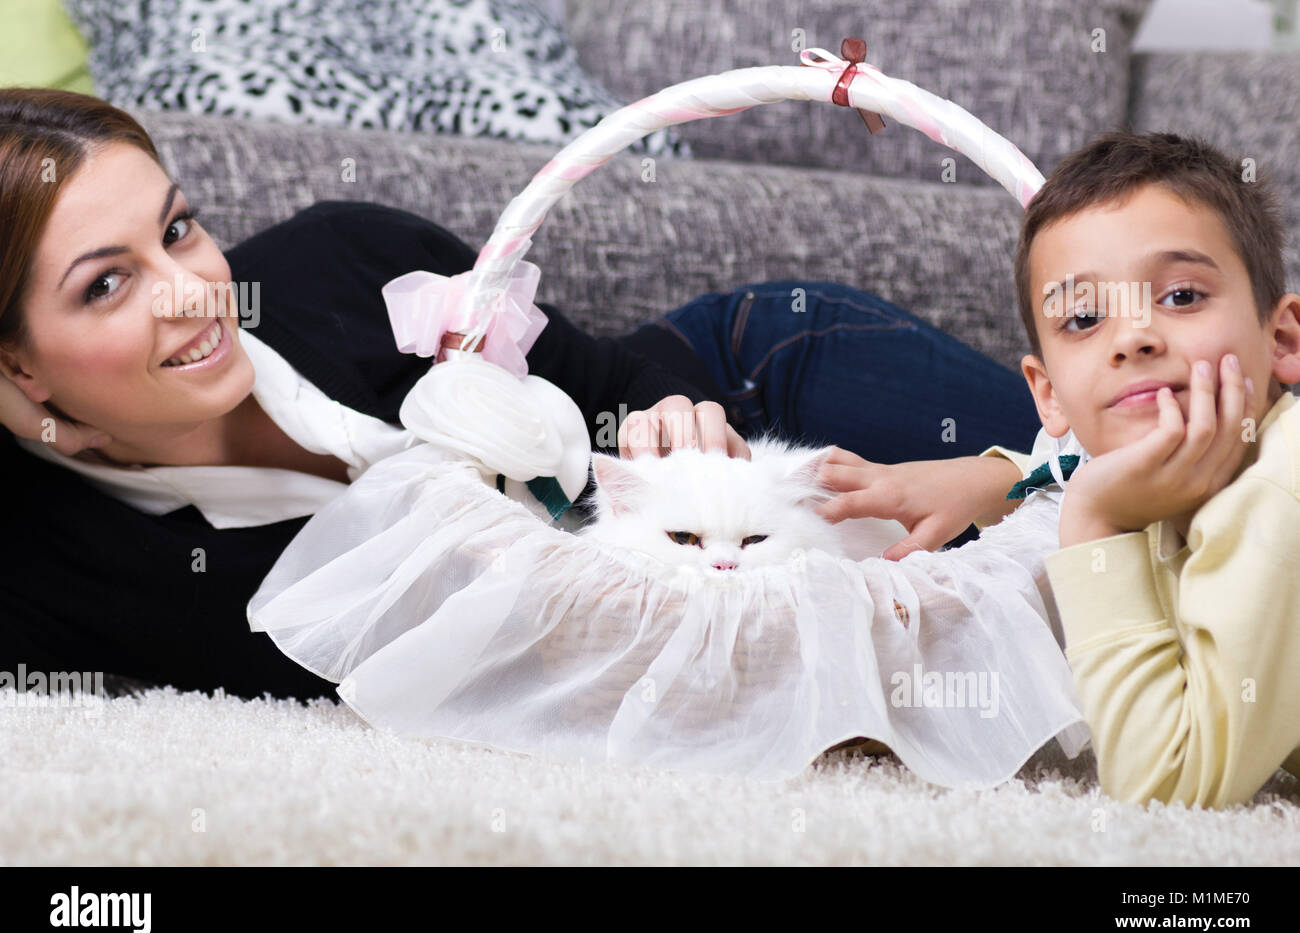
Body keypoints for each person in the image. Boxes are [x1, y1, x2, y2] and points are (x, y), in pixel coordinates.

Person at [0, 89, 1041, 704]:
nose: (194, 292)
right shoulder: (44, 564)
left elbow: (619, 379)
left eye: (179, 229)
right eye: (106, 282)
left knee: (1153, 501)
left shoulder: (345, 256)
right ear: (17, 368)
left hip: (766, 368)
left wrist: (680, 417)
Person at [1010, 130, 1300, 808]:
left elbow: (1165, 790)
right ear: (1048, 394)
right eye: (1083, 317)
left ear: (1282, 340)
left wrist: (1093, 522)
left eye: (1180, 297)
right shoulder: (1168, 493)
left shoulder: (1276, 489)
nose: (1133, 336)